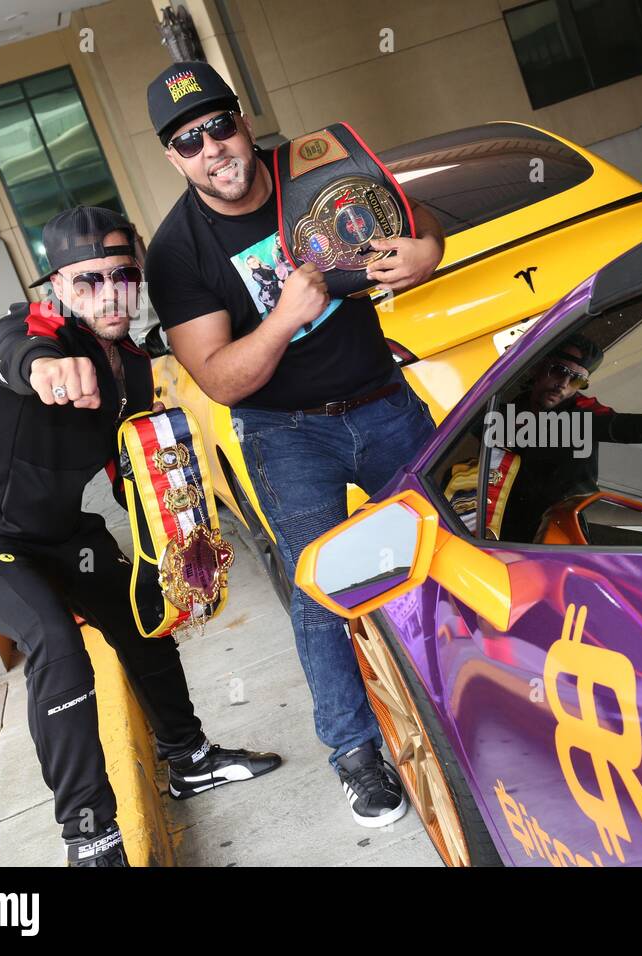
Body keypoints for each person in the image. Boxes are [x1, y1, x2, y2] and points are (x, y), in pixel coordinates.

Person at [0, 207, 282, 867]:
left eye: (122, 275)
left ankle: (189, 758)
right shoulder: (33, 332)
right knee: (54, 643)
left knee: (143, 611)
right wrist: (45, 368)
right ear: (57, 286)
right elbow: (18, 353)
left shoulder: (132, 368)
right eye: (88, 281)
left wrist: (182, 545)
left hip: (56, 529)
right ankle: (90, 838)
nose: (109, 294)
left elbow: (132, 478)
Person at [142, 61, 444, 828]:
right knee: (321, 593)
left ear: (242, 120)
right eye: (189, 140)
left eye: (218, 124)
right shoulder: (178, 252)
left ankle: (474, 699)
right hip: (287, 435)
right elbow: (218, 379)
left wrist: (425, 249)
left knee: (446, 555)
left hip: (384, 404)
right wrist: (282, 317)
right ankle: (355, 755)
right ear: (173, 157)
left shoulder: (312, 168)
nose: (212, 146)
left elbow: (415, 212)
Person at [497, 334, 642, 543]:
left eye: (576, 379)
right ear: (537, 368)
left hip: (560, 531)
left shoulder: (582, 413)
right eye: (559, 371)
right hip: (501, 525)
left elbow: (615, 424)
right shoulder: (506, 408)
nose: (563, 384)